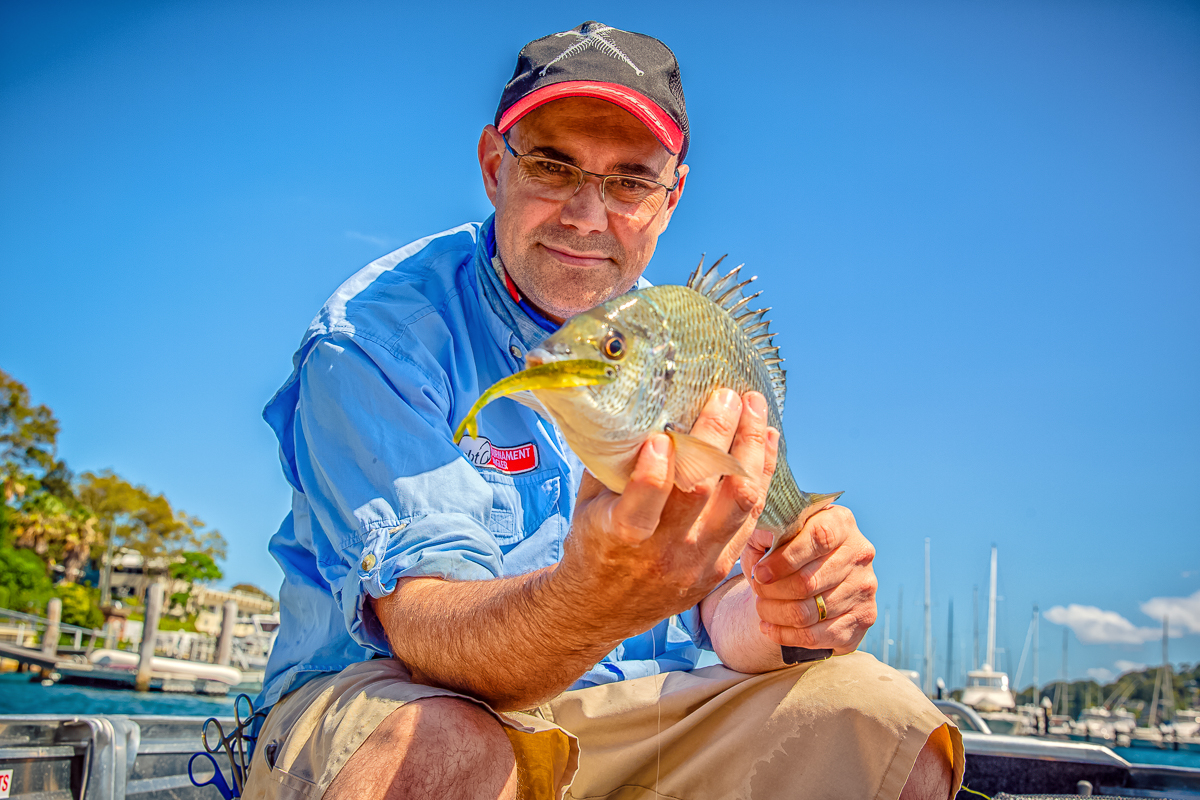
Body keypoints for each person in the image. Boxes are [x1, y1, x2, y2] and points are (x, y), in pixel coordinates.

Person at [242, 21, 965, 800]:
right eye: (553, 167)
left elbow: (718, 609)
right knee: (444, 746)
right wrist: (595, 595)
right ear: (494, 166)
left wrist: (790, 610)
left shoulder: (673, 344)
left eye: (629, 183)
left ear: (671, 197)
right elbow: (423, 632)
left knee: (885, 722)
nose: (588, 216)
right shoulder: (377, 338)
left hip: (624, 711)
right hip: (409, 697)